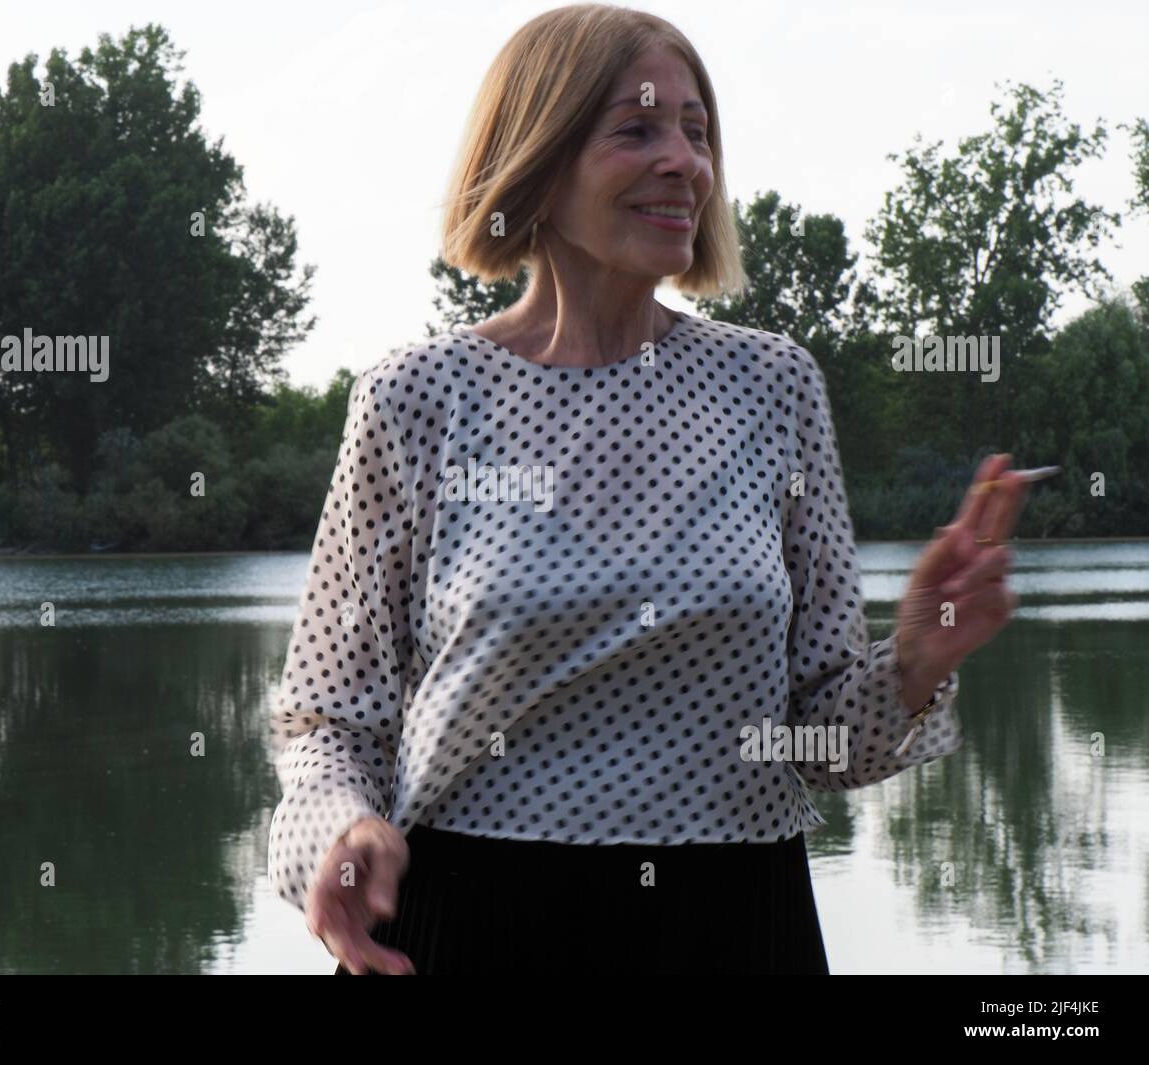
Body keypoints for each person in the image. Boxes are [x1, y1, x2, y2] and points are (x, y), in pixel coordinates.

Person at [267, 3, 1031, 975]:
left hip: (735, 922)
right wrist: (339, 833)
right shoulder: (415, 400)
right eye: (637, 128)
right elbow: (328, 721)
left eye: (697, 131)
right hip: (466, 926)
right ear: (535, 161)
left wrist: (918, 659)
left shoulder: (774, 387)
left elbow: (822, 742)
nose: (685, 161)